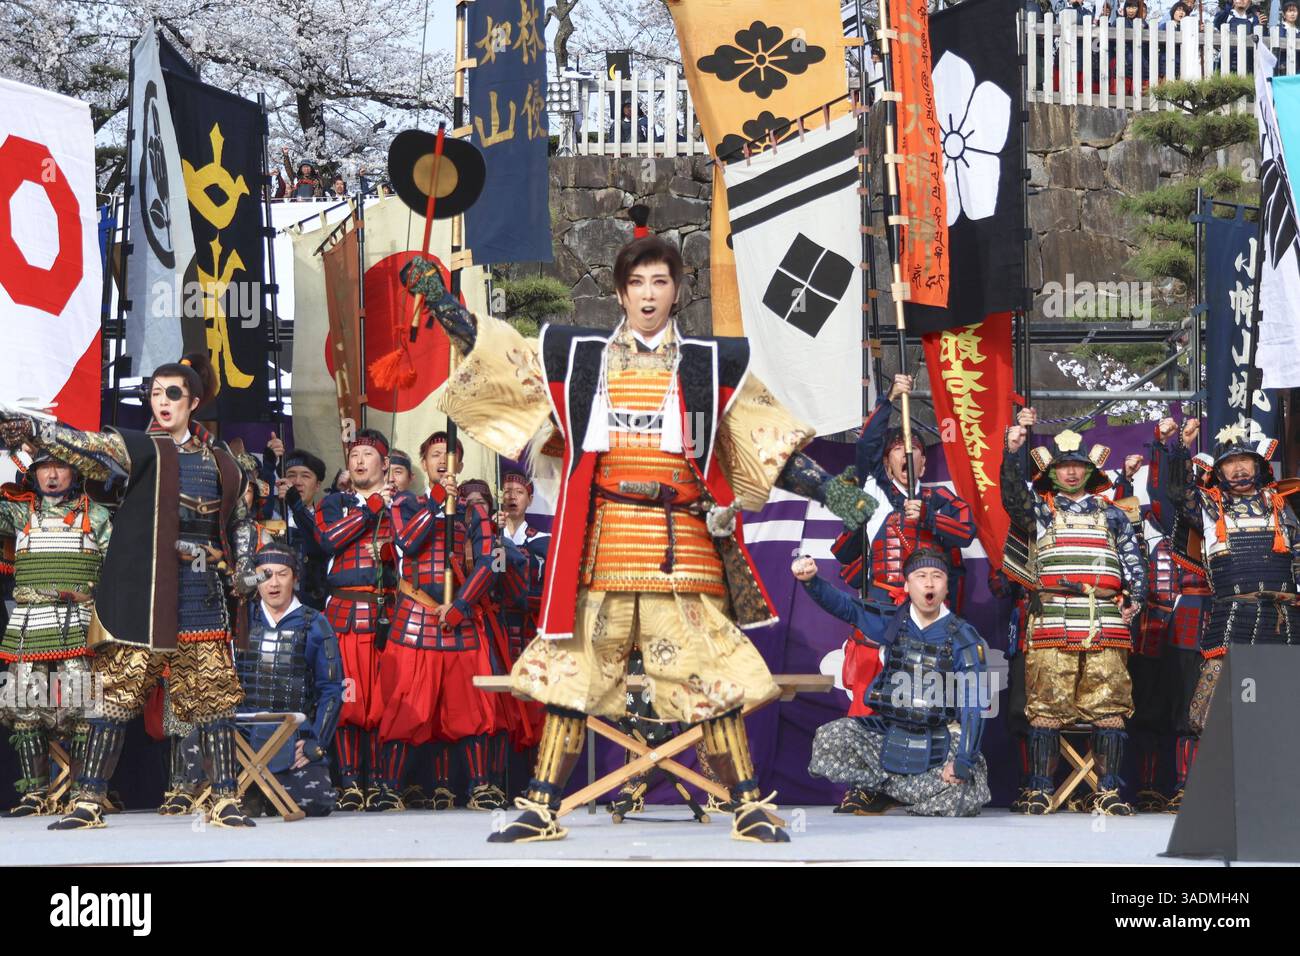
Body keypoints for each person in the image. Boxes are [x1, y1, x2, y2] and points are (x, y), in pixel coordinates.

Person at [419, 233, 876, 843]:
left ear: (678, 290)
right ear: (619, 291)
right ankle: (540, 806)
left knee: (709, 675)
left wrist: (832, 492)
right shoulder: (581, 359)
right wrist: (447, 310)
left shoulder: (711, 367)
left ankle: (747, 803)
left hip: (681, 543)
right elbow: (508, 364)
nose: (648, 294)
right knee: (572, 672)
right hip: (602, 540)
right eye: (637, 283)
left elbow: (771, 443)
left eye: (660, 281)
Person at [1, 353, 261, 829]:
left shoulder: (225, 464)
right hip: (146, 594)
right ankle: (87, 800)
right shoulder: (142, 448)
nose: (162, 402)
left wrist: (244, 565)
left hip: (201, 594)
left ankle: (225, 797)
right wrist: (39, 431)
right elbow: (88, 447)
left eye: (173, 394)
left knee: (215, 698)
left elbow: (241, 523)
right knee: (114, 697)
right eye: (155, 393)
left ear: (194, 402)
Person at [827, 373, 975, 814]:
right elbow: (864, 449)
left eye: (915, 452)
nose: (907, 456)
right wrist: (890, 401)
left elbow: (965, 532)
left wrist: (927, 512)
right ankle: (864, 785)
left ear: (925, 464)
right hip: (879, 611)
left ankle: (927, 782)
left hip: (927, 620)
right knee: (867, 696)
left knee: (929, 699)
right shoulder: (872, 492)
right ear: (887, 460)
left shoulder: (942, 499)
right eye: (898, 450)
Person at [1001, 409, 1147, 815]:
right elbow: (1012, 496)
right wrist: (1013, 452)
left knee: (1110, 703)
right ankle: (1040, 788)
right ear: (1052, 472)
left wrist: (1138, 594)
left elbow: (1133, 559)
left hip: (1104, 616)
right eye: (1063, 466)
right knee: (1047, 704)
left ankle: (1110, 789)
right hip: (1052, 615)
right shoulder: (1041, 511)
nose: (1069, 473)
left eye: (1076, 466)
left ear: (1089, 470)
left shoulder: (1113, 513)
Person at [804, 547, 992, 817]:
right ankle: (895, 792)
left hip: (940, 736)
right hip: (889, 732)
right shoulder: (892, 621)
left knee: (964, 791)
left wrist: (962, 761)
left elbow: (974, 704)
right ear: (906, 584)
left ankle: (889, 792)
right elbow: (847, 607)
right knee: (832, 737)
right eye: (921, 576)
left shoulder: (965, 638)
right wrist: (811, 582)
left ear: (946, 586)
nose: (929, 583)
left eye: (937, 576)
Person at [1167, 420, 1300, 749]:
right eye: (1230, 463)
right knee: (1214, 712)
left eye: (1246, 461)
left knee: (1283, 707)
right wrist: (1182, 447)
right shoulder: (1209, 508)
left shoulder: (1281, 507)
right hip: (1234, 618)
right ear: (1219, 471)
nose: (1239, 469)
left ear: (1259, 465)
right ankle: (1218, 783)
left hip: (1285, 620)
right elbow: (1177, 494)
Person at [0, 450, 111, 816]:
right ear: (32, 473)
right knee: (25, 710)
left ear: (74, 471)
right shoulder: (19, 512)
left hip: (77, 624)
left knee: (81, 710)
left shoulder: (96, 515)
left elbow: (119, 570)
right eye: (44, 467)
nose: (51, 475)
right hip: (30, 626)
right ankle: (34, 794)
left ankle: (83, 792)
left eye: (59, 466)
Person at [314, 428, 399, 811]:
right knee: (346, 698)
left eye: (368, 454)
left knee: (384, 700)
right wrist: (371, 509)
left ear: (385, 463)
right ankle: (348, 782)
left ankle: (383, 784)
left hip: (389, 613)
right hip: (344, 613)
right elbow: (328, 541)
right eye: (354, 454)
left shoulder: (404, 504)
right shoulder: (335, 503)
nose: (360, 460)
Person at [234, 539, 343, 817]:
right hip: (244, 736)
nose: (274, 583)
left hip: (291, 737)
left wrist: (316, 743)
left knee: (317, 801)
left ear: (295, 578)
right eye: (265, 575)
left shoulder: (315, 622)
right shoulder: (241, 618)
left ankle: (262, 791)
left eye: (282, 574)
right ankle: (256, 789)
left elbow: (331, 690)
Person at [267, 447, 329, 610]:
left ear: (317, 485)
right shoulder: (270, 513)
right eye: (291, 475)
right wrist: (269, 464)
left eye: (305, 476)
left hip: (312, 605)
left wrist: (296, 504)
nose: (297, 482)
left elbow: (321, 541)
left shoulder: (327, 517)